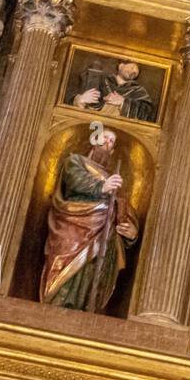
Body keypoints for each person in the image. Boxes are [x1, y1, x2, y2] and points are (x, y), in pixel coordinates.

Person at [40, 129, 138, 311]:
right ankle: (56, 305)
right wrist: (102, 186)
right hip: (73, 225)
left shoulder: (112, 179)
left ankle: (84, 309)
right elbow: (75, 180)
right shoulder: (75, 161)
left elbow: (124, 207)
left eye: (111, 142)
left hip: (104, 235)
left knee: (92, 274)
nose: (107, 143)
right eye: (105, 138)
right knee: (66, 272)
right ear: (93, 141)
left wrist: (131, 232)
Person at [72, 59, 155, 122]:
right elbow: (66, 95)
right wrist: (79, 99)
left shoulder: (138, 90)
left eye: (136, 72)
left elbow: (147, 113)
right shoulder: (99, 79)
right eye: (132, 67)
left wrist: (123, 102)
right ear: (121, 66)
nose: (134, 71)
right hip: (89, 121)